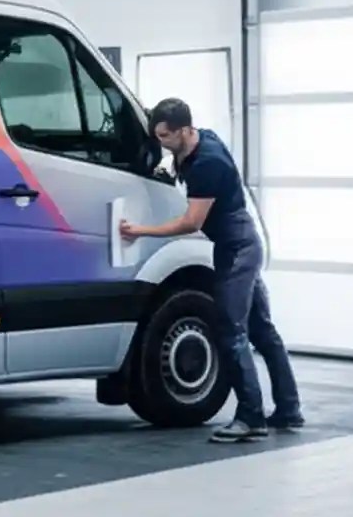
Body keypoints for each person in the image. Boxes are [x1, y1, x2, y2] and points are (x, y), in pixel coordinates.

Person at [120, 98, 304, 443]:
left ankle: (251, 417)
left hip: (237, 249)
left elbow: (191, 222)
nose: (160, 143)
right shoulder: (199, 140)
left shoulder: (208, 162)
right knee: (262, 330)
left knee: (231, 331)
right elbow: (180, 168)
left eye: (164, 136)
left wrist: (141, 230)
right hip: (237, 243)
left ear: (183, 130)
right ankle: (289, 409)